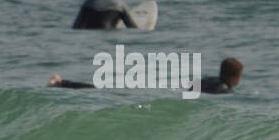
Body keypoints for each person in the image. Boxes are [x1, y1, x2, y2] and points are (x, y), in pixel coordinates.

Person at [47, 56, 243, 92]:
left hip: (168, 88)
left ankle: (62, 82)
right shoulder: (223, 90)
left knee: (105, 88)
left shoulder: (211, 79)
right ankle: (61, 83)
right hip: (167, 93)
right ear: (236, 77)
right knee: (106, 90)